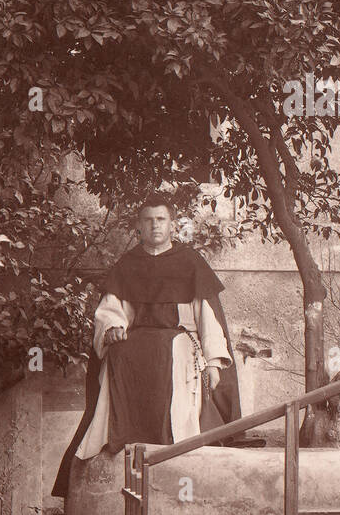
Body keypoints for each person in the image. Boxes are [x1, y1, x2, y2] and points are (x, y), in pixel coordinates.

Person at [51, 196, 242, 498]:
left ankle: (174, 437)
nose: (155, 226)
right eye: (148, 220)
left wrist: (214, 362)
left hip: (180, 339)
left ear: (172, 224)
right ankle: (117, 434)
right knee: (120, 352)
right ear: (139, 226)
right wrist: (113, 327)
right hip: (136, 342)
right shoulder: (128, 264)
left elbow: (207, 316)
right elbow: (111, 307)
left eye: (161, 220)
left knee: (173, 352)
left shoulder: (190, 262)